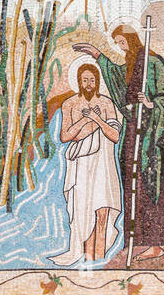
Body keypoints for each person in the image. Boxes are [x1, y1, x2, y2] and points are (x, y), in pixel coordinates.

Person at [74, 24, 164, 261]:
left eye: (123, 43)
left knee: (153, 185)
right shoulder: (132, 66)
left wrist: (151, 105)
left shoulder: (153, 63)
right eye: (118, 44)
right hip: (133, 132)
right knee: (134, 182)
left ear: (133, 41)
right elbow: (117, 78)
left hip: (152, 139)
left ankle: (157, 243)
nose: (121, 48)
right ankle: (139, 240)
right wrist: (96, 55)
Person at [49, 63, 122, 267]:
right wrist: (84, 121)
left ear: (97, 81)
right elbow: (65, 136)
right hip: (81, 164)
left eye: (92, 80)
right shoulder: (70, 104)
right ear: (79, 82)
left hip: (103, 164)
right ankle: (89, 259)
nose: (89, 84)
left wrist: (97, 119)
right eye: (85, 80)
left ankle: (100, 258)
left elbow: (115, 136)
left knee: (102, 210)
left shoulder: (107, 103)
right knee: (84, 211)